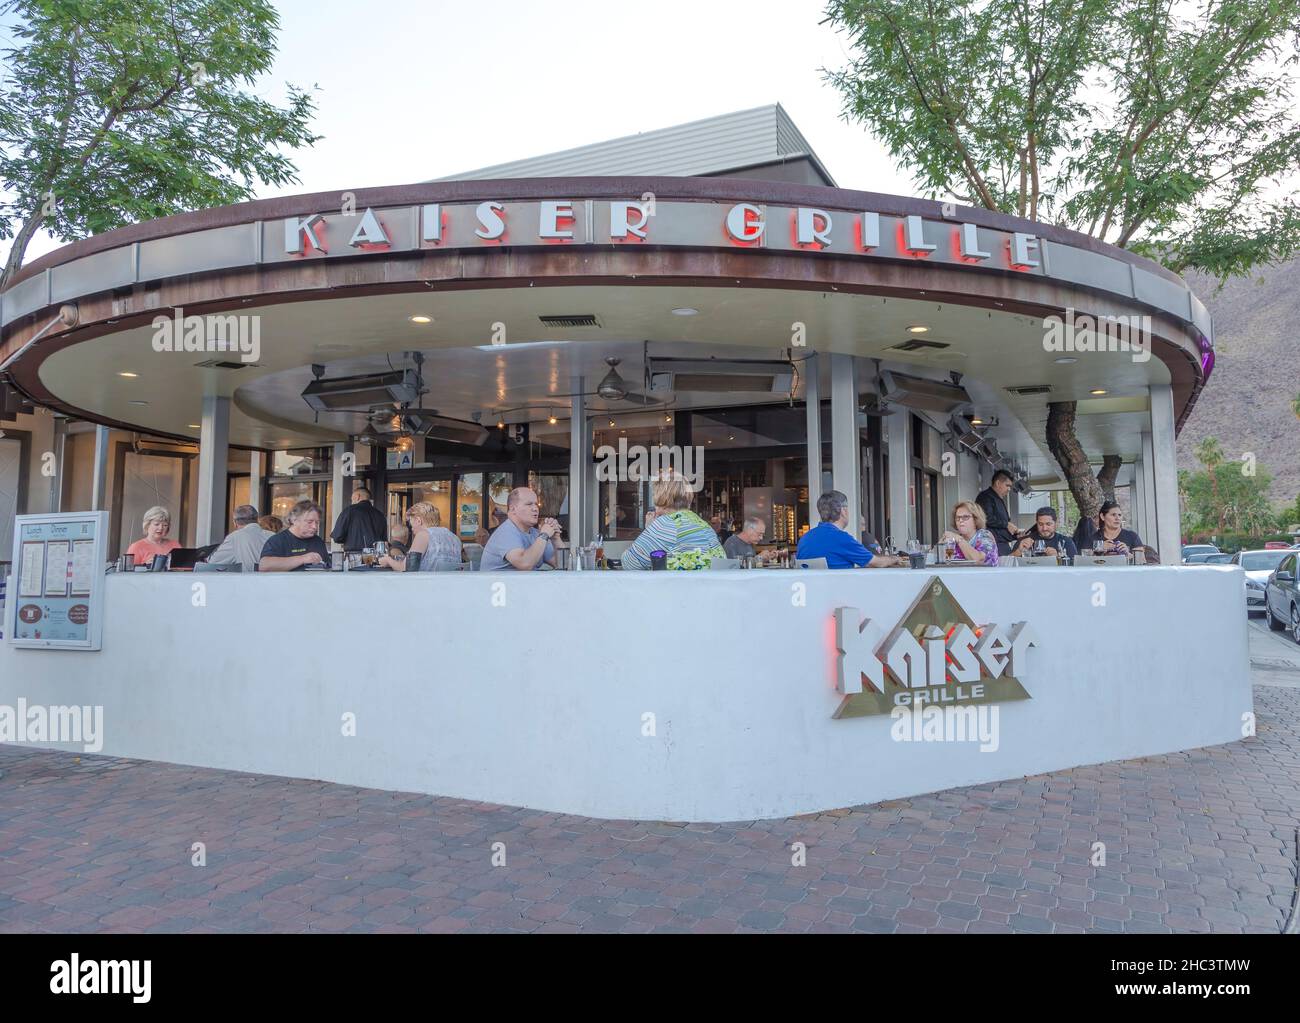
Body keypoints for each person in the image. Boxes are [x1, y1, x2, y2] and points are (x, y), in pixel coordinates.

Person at [623, 474, 724, 569]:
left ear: (661, 497)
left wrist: (650, 528)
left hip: (681, 586)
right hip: (709, 585)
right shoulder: (702, 523)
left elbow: (629, 562)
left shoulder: (666, 523)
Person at [795, 491, 906, 569]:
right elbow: (873, 563)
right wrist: (894, 559)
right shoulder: (841, 538)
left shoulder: (805, 539)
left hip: (813, 596)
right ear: (843, 511)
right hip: (840, 596)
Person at [480, 487, 561, 571]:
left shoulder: (535, 533)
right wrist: (544, 535)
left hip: (524, 583)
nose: (535, 508)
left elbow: (562, 564)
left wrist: (556, 538)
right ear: (513, 509)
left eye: (536, 504)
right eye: (529, 504)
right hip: (499, 584)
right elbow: (525, 564)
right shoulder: (506, 532)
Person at [380, 503, 463, 572]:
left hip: (426, 587)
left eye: (411, 524)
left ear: (418, 520)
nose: (411, 529)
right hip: (451, 587)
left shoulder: (423, 535)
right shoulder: (454, 537)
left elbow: (407, 568)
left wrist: (388, 560)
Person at [259, 500, 330, 571]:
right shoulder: (278, 540)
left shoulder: (318, 541)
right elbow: (264, 566)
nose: (314, 526)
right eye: (309, 522)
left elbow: (328, 567)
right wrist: (303, 559)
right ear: (294, 520)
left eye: (317, 522)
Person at [206, 504, 274, 572]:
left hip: (250, 581)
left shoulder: (234, 537)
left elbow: (213, 563)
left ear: (235, 523)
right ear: (257, 519)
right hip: (276, 580)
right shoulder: (272, 535)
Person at [975, 470, 1023, 555]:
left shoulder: (998, 499)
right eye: (1007, 485)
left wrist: (1015, 535)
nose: (1009, 489)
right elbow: (986, 518)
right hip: (991, 545)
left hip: (1002, 544)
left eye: (1010, 486)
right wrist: (1006, 524)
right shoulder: (985, 497)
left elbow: (999, 527)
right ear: (998, 483)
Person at [329, 486, 388, 552]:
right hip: (375, 557)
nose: (352, 501)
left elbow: (337, 537)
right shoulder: (380, 515)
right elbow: (384, 542)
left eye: (352, 499)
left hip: (353, 557)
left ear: (358, 496)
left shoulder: (349, 511)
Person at [1074, 500, 1142, 556]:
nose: (1117, 518)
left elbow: (1143, 562)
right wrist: (1099, 549)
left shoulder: (1132, 536)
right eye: (1113, 515)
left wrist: (1128, 554)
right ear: (1102, 516)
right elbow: (1083, 563)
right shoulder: (1092, 539)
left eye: (1119, 515)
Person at [940, 500, 999, 565]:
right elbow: (946, 561)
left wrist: (959, 539)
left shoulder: (985, 535)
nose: (960, 520)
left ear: (975, 519)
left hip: (985, 574)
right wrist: (941, 546)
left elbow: (978, 560)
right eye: (957, 517)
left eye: (965, 517)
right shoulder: (953, 541)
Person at [1011, 506, 1079, 561]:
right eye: (1040, 524)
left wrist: (1058, 558)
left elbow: (1075, 567)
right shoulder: (1024, 541)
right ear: (1036, 523)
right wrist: (1019, 551)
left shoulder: (1066, 541)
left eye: (1048, 524)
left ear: (1056, 523)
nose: (1044, 528)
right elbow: (1006, 565)